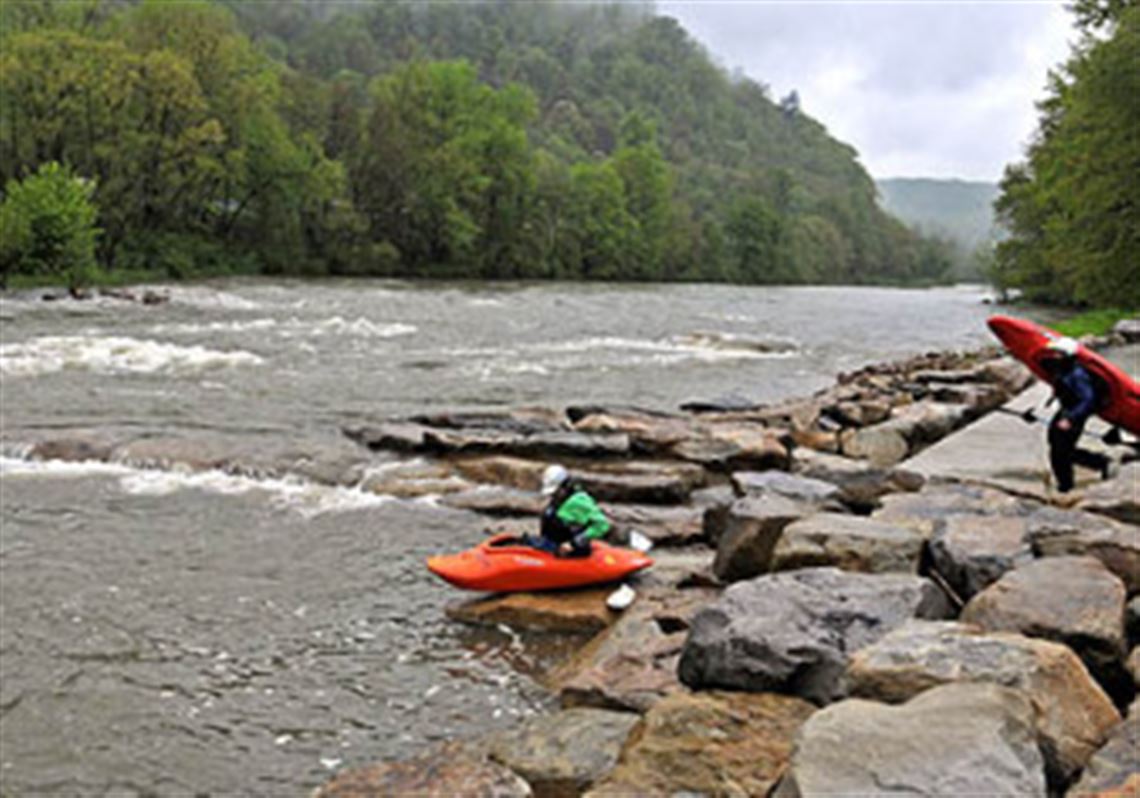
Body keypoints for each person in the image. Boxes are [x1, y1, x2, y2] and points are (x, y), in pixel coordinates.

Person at [1041, 337, 1112, 493]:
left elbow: (1088, 400)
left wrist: (1071, 419)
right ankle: (1099, 462)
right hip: (1066, 410)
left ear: (1068, 355)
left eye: (1058, 353)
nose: (1055, 356)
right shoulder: (1064, 369)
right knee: (1056, 444)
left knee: (1060, 451)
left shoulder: (1078, 374)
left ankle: (1066, 485)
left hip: (1075, 414)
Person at [530, 464, 611, 557]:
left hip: (571, 551)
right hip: (552, 546)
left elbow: (602, 525)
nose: (553, 495)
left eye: (556, 492)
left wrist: (573, 544)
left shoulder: (579, 501)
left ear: (565, 486)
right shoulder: (558, 500)